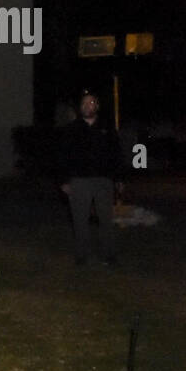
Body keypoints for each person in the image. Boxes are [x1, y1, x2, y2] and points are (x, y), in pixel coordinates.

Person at [59, 91, 124, 266]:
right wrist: (65, 181)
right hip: (80, 181)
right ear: (80, 108)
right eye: (84, 104)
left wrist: (118, 178)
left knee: (105, 220)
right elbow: (64, 156)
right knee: (80, 220)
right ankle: (81, 256)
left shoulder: (107, 129)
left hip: (103, 181)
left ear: (97, 106)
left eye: (91, 103)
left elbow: (116, 154)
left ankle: (109, 255)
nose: (88, 106)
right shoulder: (72, 129)